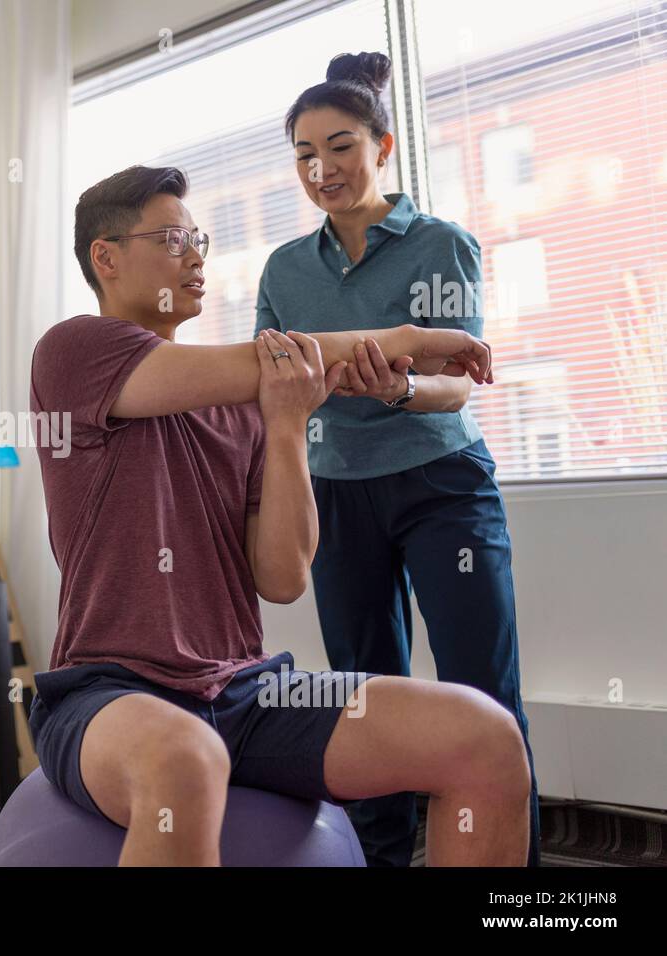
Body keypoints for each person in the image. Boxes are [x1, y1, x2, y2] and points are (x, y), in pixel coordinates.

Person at [26, 162, 530, 866]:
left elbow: (283, 574)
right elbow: (265, 363)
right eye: (173, 239)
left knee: (485, 735)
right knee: (184, 762)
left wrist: (288, 426)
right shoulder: (72, 352)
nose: (197, 255)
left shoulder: (245, 405)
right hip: (107, 690)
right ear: (104, 258)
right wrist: (403, 338)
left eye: (198, 237)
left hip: (248, 690)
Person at [253, 51, 541, 867]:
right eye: (305, 155)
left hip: (441, 484)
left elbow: (456, 388)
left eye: (339, 146)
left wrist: (396, 390)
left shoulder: (440, 243)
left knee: (480, 690)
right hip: (336, 490)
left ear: (382, 145)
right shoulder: (283, 270)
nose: (322, 168)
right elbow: (273, 384)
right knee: (363, 698)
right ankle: (379, 860)